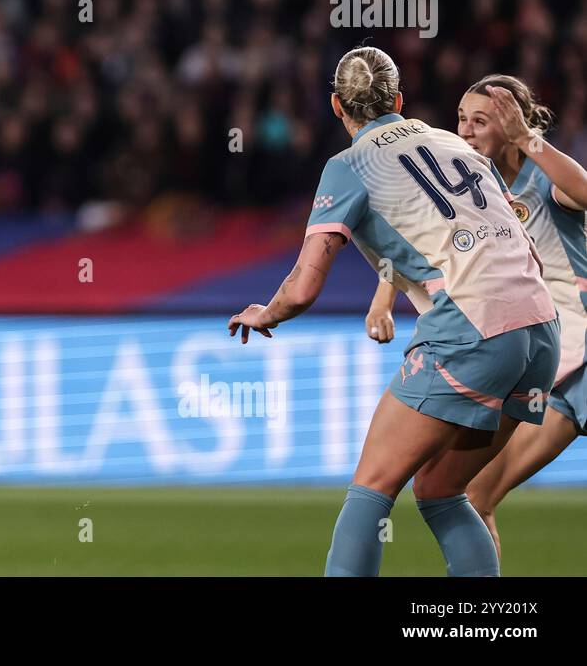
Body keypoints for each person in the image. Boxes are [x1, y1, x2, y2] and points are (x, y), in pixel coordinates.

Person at [227, 46, 559, 576]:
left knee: (374, 485)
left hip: (471, 327)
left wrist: (265, 313)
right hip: (541, 329)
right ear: (399, 100)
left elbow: (304, 286)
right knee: (442, 489)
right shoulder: (454, 143)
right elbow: (526, 248)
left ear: (338, 107)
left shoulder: (348, 166)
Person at [365, 75, 587, 558]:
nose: (465, 130)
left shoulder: (542, 179)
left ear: (511, 124)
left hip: (577, 351)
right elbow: (430, 244)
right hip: (546, 360)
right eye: (462, 117)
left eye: (481, 120)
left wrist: (529, 138)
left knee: (467, 494)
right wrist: (383, 298)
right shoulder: (470, 186)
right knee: (476, 495)